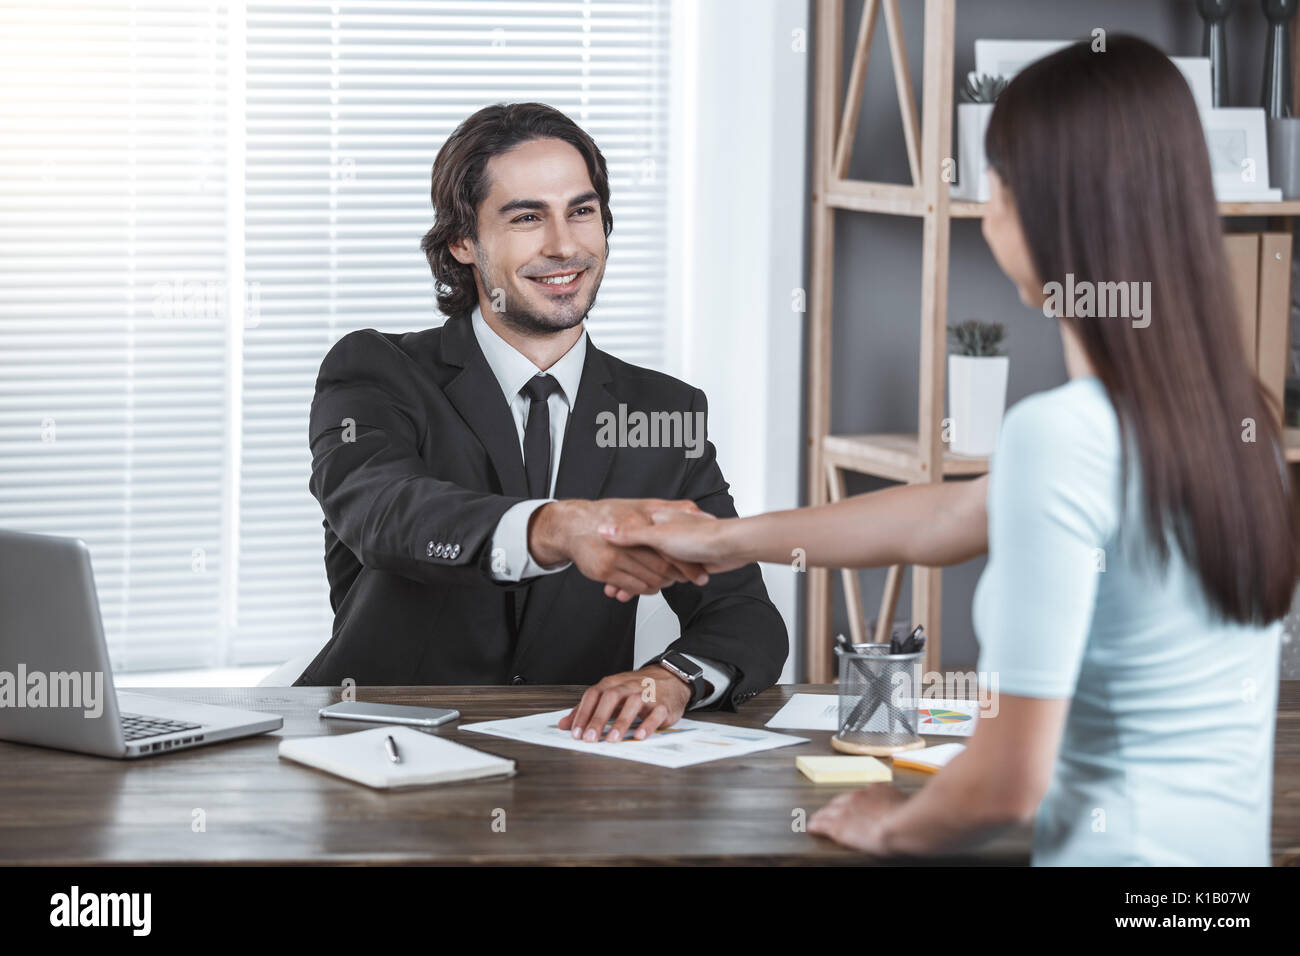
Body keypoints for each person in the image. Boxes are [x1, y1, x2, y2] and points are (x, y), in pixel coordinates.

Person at [600, 36, 1295, 864]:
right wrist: (716, 538)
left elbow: (1010, 778)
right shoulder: (1225, 419)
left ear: (1042, 206)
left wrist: (888, 824)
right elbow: (946, 518)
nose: (988, 202)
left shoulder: (1065, 434)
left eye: (995, 178)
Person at [296, 102, 788, 743]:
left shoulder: (662, 411)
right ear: (462, 241)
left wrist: (671, 678)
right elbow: (382, 513)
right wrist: (552, 527)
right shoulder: (378, 372)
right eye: (527, 217)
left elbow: (744, 611)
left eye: (581, 212)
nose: (564, 245)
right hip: (378, 749)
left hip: (571, 758)